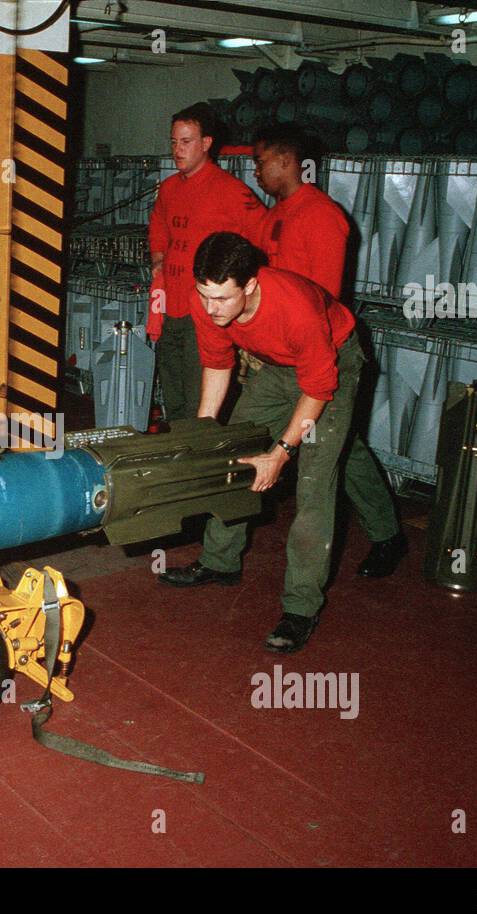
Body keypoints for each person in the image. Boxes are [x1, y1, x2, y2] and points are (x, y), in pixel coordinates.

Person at [158, 232, 372, 654]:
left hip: (333, 368)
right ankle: (220, 561)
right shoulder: (209, 301)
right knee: (234, 458)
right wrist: (206, 433)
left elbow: (318, 388)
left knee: (314, 482)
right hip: (278, 368)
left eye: (221, 299)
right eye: (204, 295)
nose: (208, 307)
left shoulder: (296, 310)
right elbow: (218, 364)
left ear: (250, 285)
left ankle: (301, 607)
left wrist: (281, 453)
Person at [249, 123, 407, 577]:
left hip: (321, 351)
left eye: (260, 162)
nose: (256, 171)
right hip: (286, 353)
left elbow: (323, 298)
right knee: (345, 445)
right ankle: (388, 533)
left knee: (331, 452)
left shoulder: (320, 216)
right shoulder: (273, 215)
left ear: (284, 161)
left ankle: (384, 537)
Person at [148, 102, 265, 421]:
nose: (177, 149)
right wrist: (158, 257)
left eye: (186, 142)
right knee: (172, 395)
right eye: (173, 141)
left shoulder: (232, 192)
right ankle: (177, 449)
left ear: (206, 144)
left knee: (199, 398)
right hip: (171, 307)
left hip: (205, 312)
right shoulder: (170, 188)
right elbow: (158, 224)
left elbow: (263, 240)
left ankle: (193, 458)